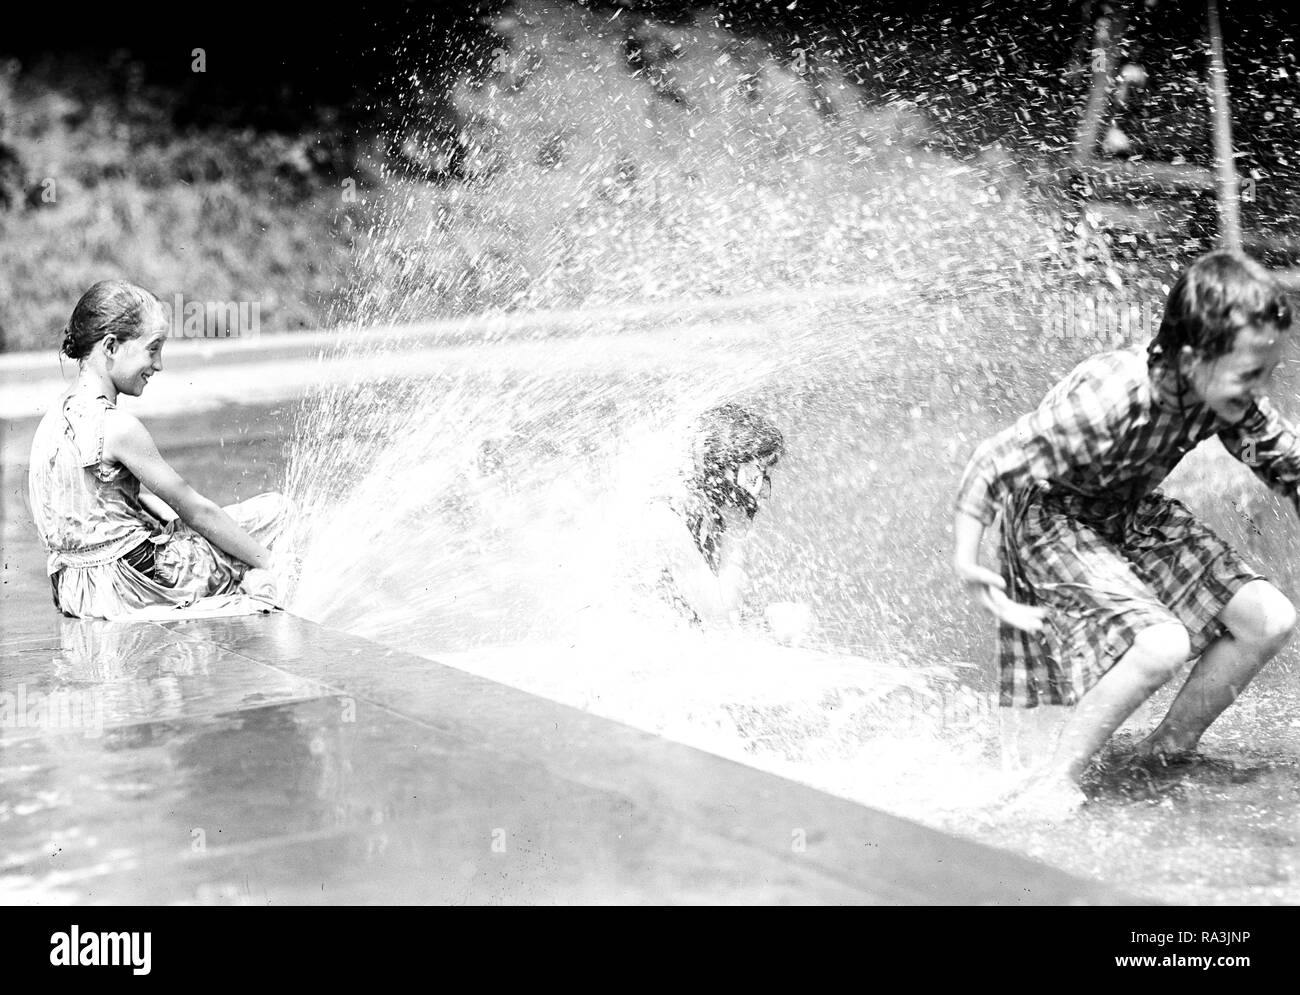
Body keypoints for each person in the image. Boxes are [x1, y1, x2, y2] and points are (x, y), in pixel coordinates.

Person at [953, 250, 1300, 807]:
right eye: (1249, 375)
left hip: (1129, 511)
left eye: (1268, 373)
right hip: (1051, 516)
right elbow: (993, 461)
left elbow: (1292, 468)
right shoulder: (1113, 398)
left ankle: (1165, 750)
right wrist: (969, 559)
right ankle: (1053, 780)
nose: (1259, 389)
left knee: (1271, 619)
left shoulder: (1225, 398)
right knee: (1161, 644)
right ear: (1192, 357)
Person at [27, 280, 291, 619]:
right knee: (278, 514)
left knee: (207, 533)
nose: (159, 364)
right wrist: (271, 562)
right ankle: (265, 591)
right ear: (110, 347)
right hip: (133, 584)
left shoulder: (52, 419)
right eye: (153, 349)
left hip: (77, 590)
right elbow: (197, 511)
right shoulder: (117, 427)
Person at [649, 402, 808, 638]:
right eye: (756, 474)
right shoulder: (664, 517)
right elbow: (720, 622)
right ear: (723, 466)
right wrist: (735, 533)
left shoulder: (699, 514)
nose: (763, 491)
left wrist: (762, 622)